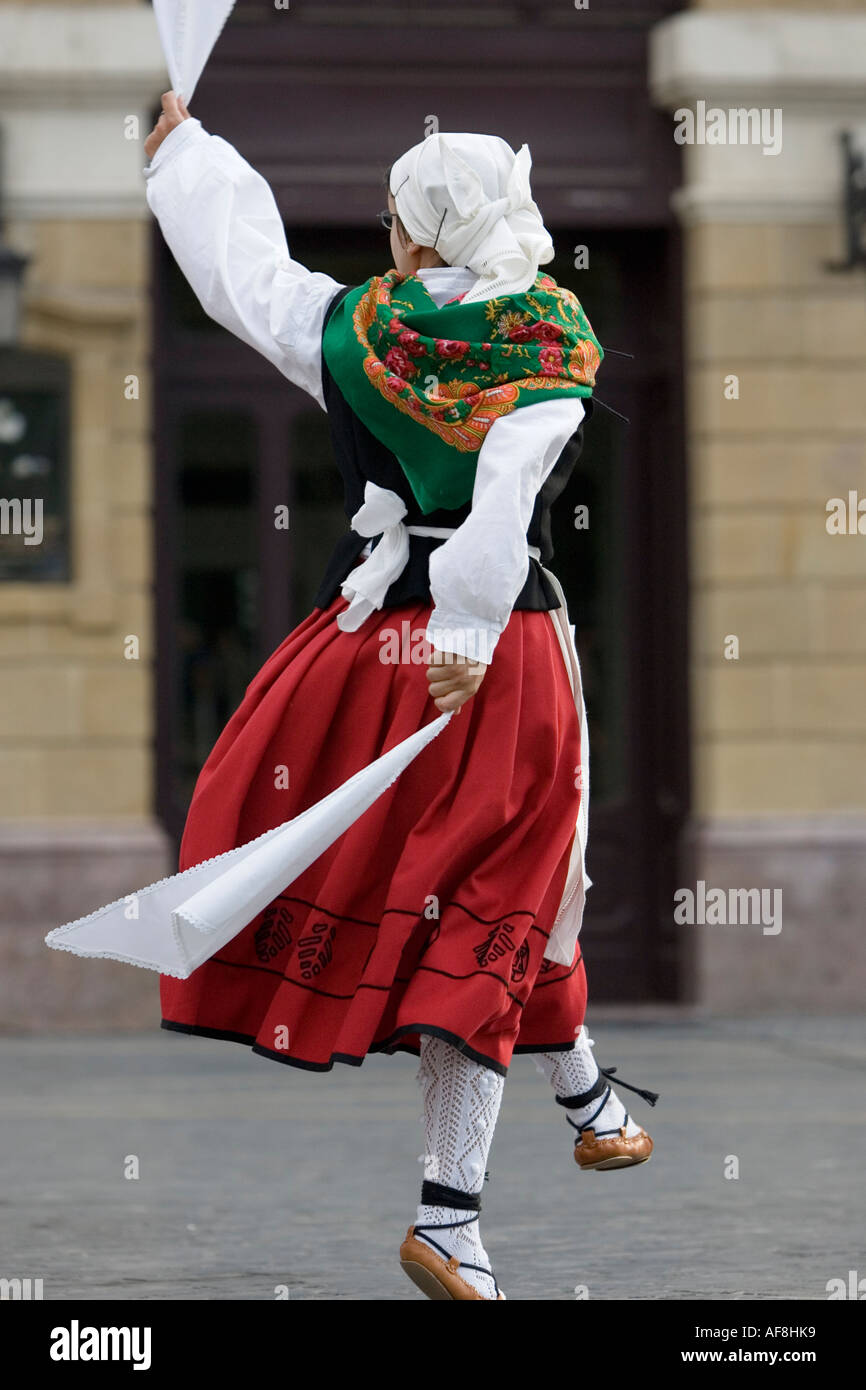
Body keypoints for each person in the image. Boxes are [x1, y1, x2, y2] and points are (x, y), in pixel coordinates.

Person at [142, 93, 656, 1301]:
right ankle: (451, 1219)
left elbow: (244, 278)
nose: (383, 238)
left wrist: (186, 154)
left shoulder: (350, 330)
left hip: (364, 646)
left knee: (488, 899)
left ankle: (581, 1096)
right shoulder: (548, 339)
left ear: (417, 235)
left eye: (388, 219)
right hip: (494, 656)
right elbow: (501, 500)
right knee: (503, 901)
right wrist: (474, 627)